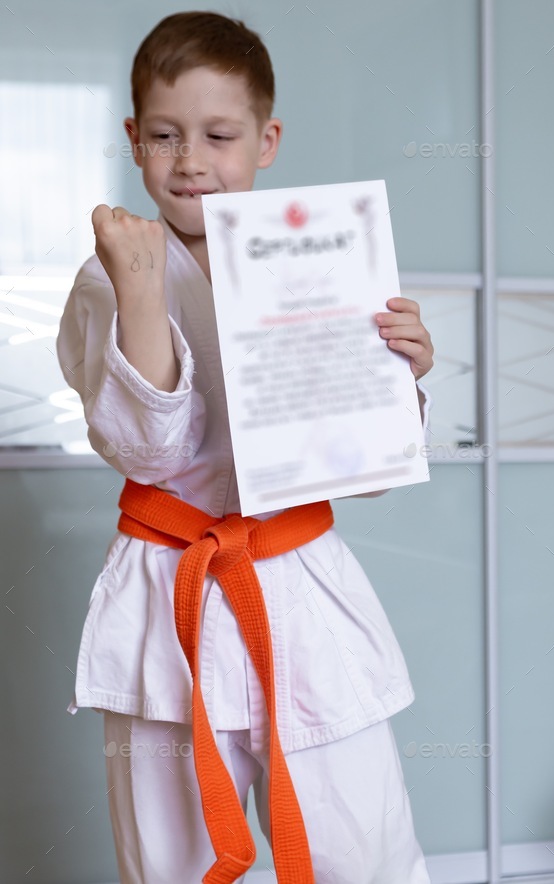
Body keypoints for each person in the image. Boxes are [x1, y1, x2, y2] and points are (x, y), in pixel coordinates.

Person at [56, 11, 434, 884]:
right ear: (133, 139)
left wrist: (400, 379)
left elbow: (364, 471)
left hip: (297, 580)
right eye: (164, 135)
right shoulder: (104, 273)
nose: (190, 159)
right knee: (170, 858)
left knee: (361, 846)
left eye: (218, 135)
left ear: (266, 141)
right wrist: (141, 293)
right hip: (168, 593)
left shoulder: (318, 259)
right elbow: (149, 454)